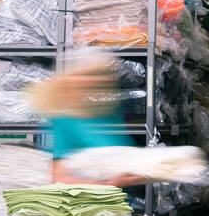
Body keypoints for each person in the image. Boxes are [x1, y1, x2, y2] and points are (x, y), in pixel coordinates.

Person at [23, 49, 147, 189]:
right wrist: (110, 185)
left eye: (105, 74)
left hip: (115, 206)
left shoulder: (108, 114)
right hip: (82, 207)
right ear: (73, 79)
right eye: (92, 74)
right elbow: (59, 178)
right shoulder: (63, 120)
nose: (101, 79)